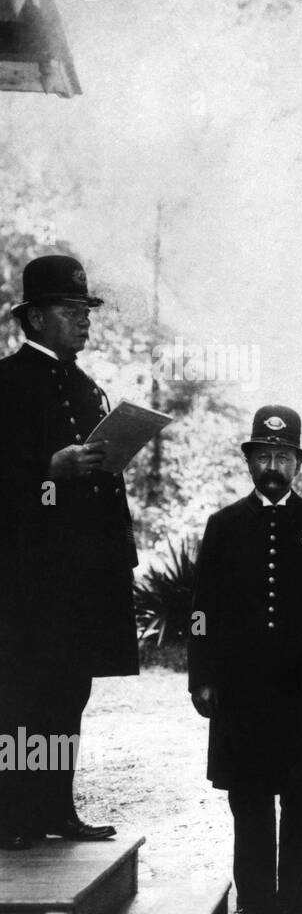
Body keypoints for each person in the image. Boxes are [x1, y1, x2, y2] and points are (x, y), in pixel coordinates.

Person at [189, 406, 302, 914]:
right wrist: (202, 675)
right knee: (249, 793)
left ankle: (297, 905)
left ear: (298, 464)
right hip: (243, 689)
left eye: (283, 456)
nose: (273, 464)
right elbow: (202, 609)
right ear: (249, 461)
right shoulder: (224, 526)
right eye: (263, 454)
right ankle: (257, 902)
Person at [0, 255, 137, 851]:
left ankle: (57, 807)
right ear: (32, 318)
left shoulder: (88, 387)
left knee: (69, 691)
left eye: (85, 311)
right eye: (69, 310)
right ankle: (12, 816)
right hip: (26, 579)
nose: (83, 321)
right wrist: (47, 473)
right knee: (22, 692)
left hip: (81, 575)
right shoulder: (6, 384)